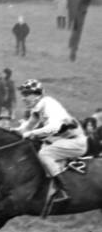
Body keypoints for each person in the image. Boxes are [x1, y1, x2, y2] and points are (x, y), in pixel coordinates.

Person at [16, 79, 87, 208]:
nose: (23, 98)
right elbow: (28, 126)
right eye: (23, 94)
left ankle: (64, 190)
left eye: (26, 94)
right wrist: (13, 132)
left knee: (44, 154)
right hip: (62, 140)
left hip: (75, 142)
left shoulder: (49, 105)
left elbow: (53, 128)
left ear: (37, 95)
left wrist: (31, 134)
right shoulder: (38, 108)